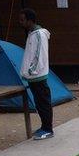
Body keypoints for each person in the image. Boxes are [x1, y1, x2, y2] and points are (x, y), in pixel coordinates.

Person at [18, 9, 54, 140]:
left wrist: (30, 71)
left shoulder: (39, 34)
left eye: (23, 20)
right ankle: (44, 126)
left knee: (44, 102)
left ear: (30, 20)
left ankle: (48, 129)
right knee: (39, 103)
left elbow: (39, 55)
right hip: (33, 77)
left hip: (38, 75)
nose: (20, 22)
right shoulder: (31, 34)